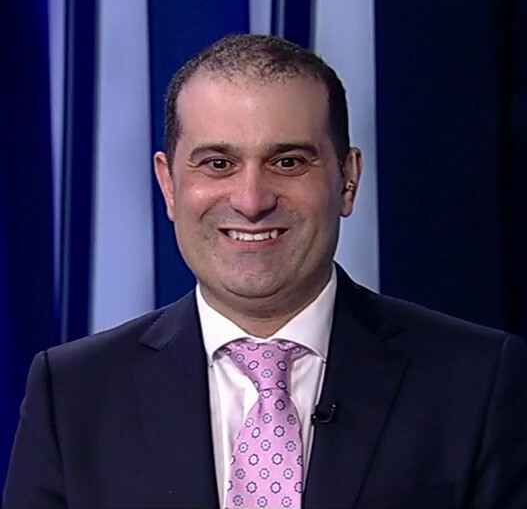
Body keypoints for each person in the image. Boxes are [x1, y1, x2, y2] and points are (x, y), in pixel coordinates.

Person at [3, 34, 527, 509]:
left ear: (347, 180)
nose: (251, 201)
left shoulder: (478, 382)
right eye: (218, 164)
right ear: (168, 185)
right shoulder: (72, 394)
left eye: (288, 162)